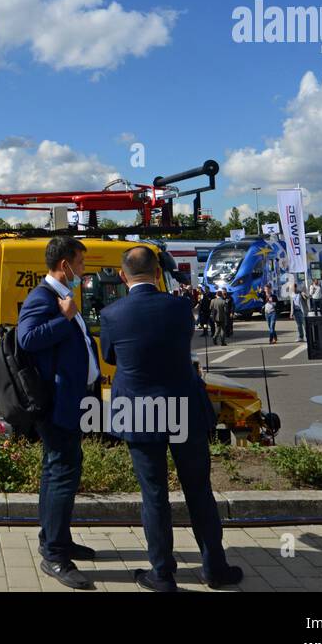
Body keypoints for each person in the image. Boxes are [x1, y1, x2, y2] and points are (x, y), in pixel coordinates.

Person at [99, 246, 242, 592]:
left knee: (154, 495)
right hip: (185, 408)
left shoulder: (111, 314)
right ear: (158, 272)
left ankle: (162, 573)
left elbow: (110, 356)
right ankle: (215, 568)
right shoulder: (179, 308)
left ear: (122, 276)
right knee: (199, 491)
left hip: (139, 411)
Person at [16, 236, 100, 590]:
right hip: (55, 405)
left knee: (59, 471)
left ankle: (57, 539)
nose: (83, 271)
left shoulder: (60, 297)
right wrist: (64, 319)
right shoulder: (43, 298)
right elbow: (27, 339)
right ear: (65, 265)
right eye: (80, 264)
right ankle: (54, 555)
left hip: (69, 401)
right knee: (62, 473)